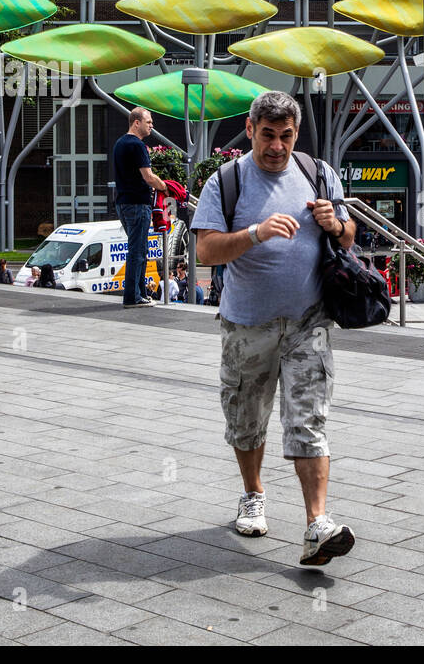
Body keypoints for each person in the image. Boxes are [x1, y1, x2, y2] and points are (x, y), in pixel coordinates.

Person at [192, 92, 357, 566]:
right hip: (247, 325)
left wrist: (335, 224)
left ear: (296, 134)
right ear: (250, 130)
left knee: (309, 421)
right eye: (268, 135)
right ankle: (253, 493)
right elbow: (206, 253)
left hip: (310, 322)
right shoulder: (226, 182)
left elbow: (348, 236)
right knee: (246, 419)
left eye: (286, 136)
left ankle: (317, 525)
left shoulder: (319, 173)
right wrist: (255, 233)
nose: (277, 146)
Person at [113, 108, 168, 308]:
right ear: (136, 122)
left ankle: (140, 293)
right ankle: (132, 297)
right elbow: (148, 177)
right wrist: (165, 187)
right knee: (137, 251)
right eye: (148, 121)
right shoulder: (137, 145)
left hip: (123, 203)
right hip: (137, 204)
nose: (151, 125)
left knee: (140, 249)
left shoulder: (119, 143)